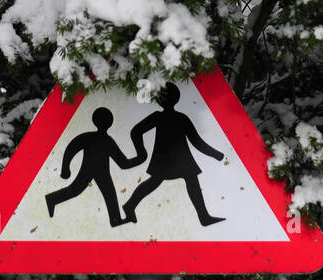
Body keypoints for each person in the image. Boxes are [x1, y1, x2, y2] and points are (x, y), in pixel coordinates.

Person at [122, 84, 226, 226]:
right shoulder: (177, 118)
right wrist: (216, 155)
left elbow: (196, 141)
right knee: (159, 182)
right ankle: (129, 205)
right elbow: (196, 141)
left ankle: (204, 217)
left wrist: (141, 152)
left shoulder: (170, 117)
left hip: (177, 159)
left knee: (177, 180)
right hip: (171, 159)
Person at [45, 107, 132, 228]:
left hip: (101, 171)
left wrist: (65, 168)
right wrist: (65, 168)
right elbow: (72, 148)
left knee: (108, 194)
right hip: (91, 170)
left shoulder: (99, 139)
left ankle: (115, 220)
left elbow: (122, 163)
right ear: (110, 122)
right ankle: (51, 199)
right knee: (77, 190)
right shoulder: (103, 140)